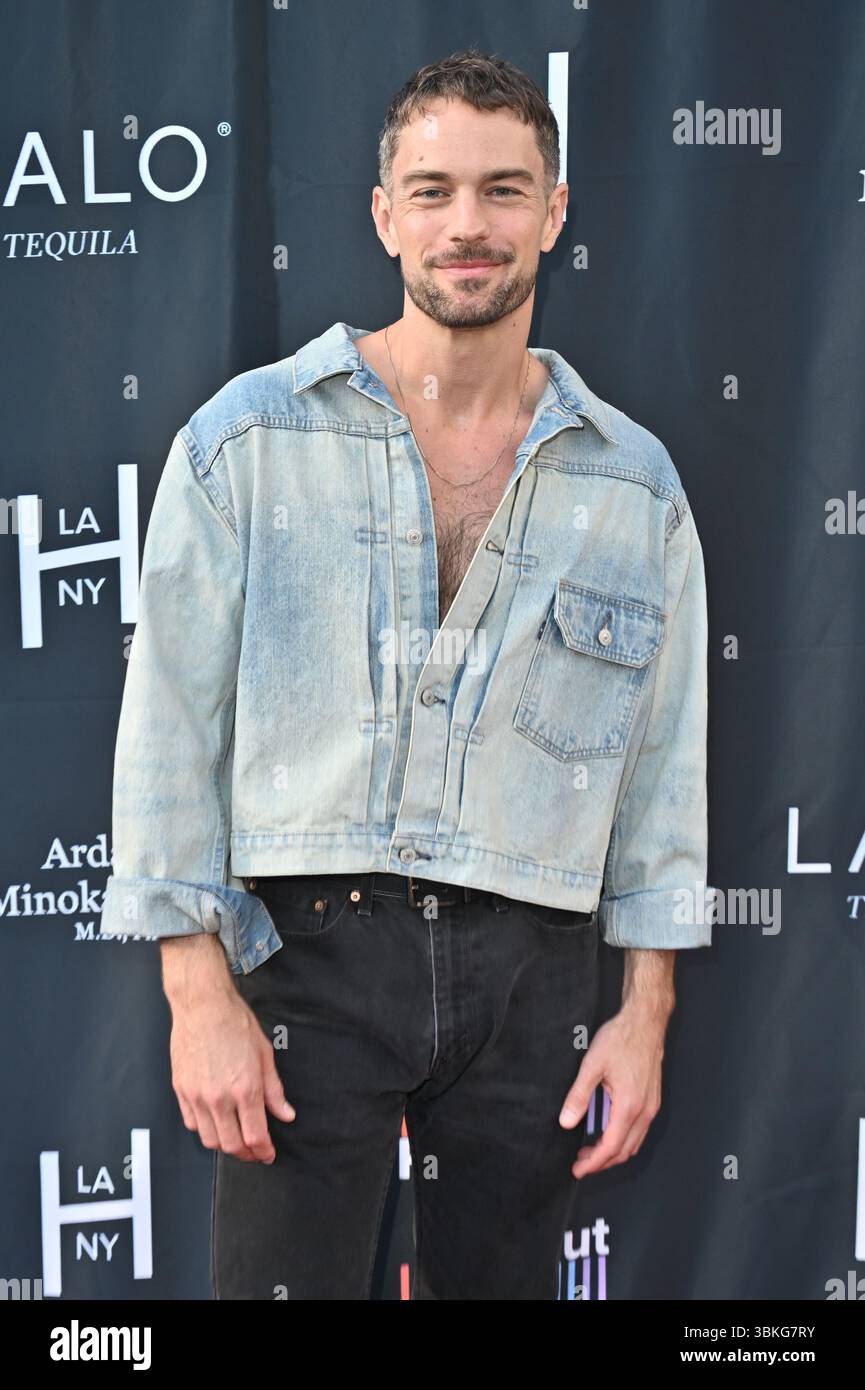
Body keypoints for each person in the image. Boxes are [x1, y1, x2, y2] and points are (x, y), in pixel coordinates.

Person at [101, 49, 713, 1300]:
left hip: (534, 972)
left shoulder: (632, 486)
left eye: (503, 189)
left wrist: (643, 1010)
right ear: (385, 216)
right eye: (432, 191)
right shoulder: (247, 442)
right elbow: (168, 726)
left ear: (554, 211)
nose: (466, 225)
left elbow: (661, 766)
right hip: (305, 958)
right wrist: (194, 988)